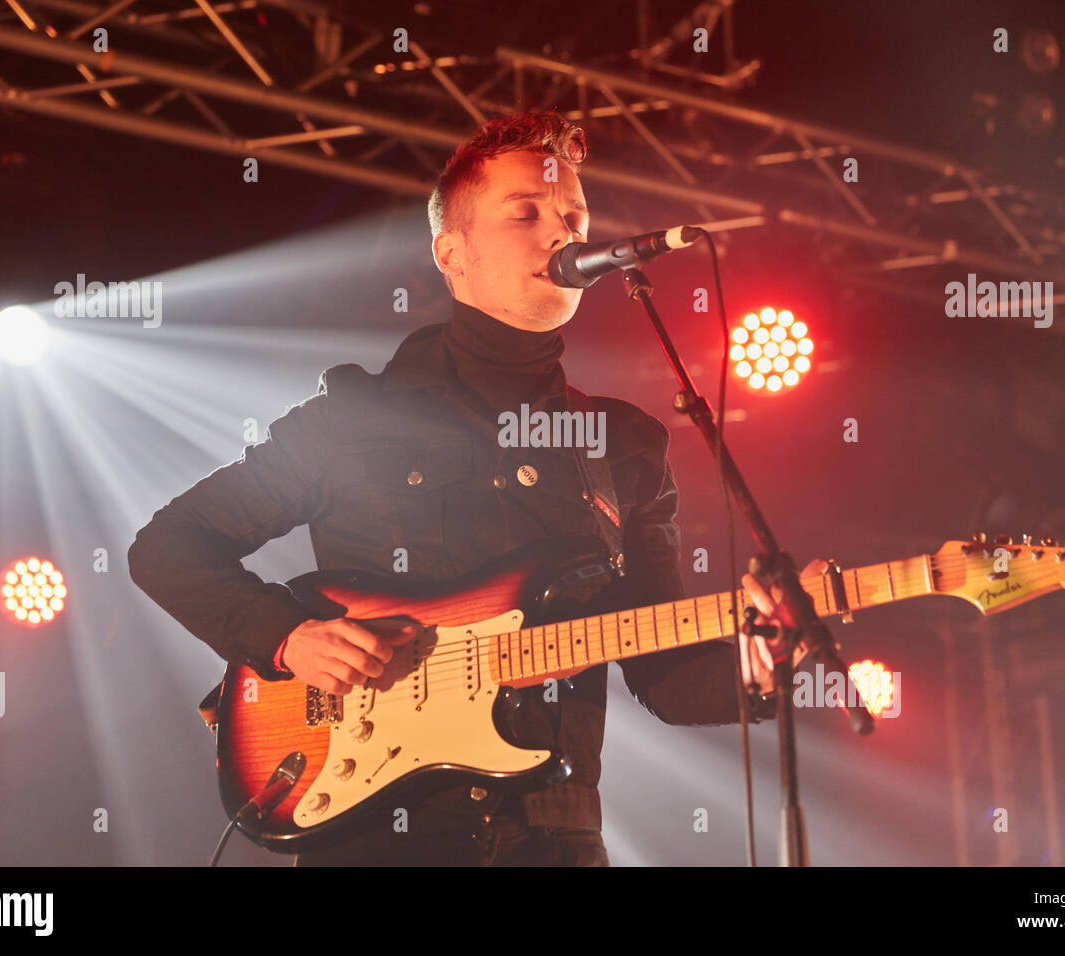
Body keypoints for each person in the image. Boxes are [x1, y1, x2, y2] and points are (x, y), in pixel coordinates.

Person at [128, 110, 793, 867]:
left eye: (574, 215)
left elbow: (664, 673)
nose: (562, 232)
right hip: (378, 835)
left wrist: (759, 666)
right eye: (527, 213)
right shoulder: (351, 418)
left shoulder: (626, 444)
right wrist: (287, 636)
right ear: (453, 253)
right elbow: (168, 548)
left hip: (556, 839)